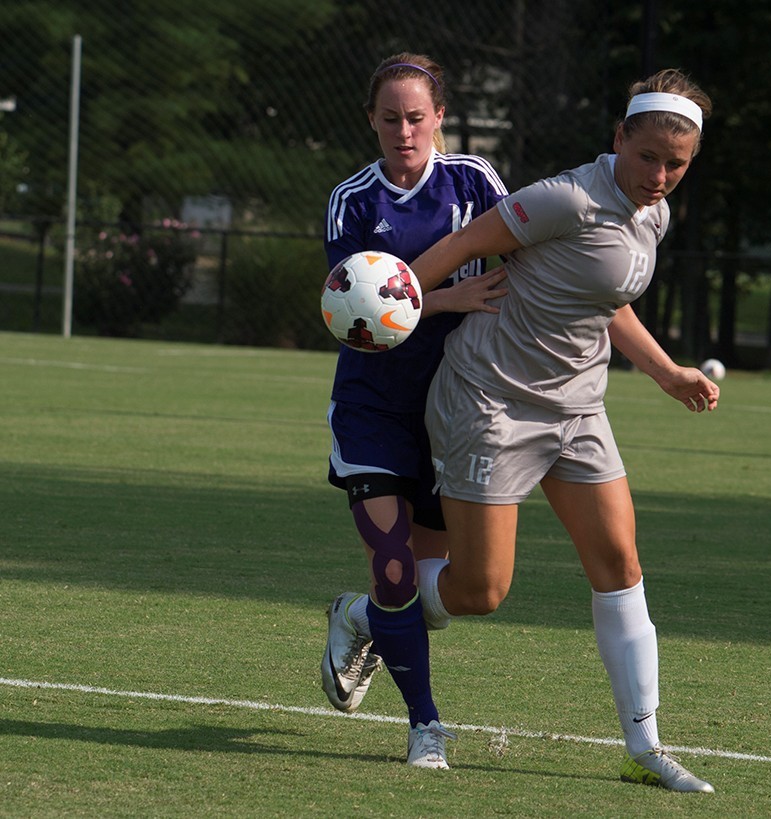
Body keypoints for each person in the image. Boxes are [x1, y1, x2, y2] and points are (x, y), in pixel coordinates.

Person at [407, 67, 719, 792]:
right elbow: (439, 261)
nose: (661, 175)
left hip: (578, 408)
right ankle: (373, 607)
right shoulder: (564, 197)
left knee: (620, 561)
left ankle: (645, 746)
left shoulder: (655, 214)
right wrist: (423, 302)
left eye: (678, 165)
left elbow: (602, 295)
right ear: (620, 139)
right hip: (491, 400)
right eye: (649, 158)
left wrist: (668, 371)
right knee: (481, 591)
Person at [319, 52, 508, 770]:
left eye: (417, 117)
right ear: (371, 119)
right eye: (390, 118)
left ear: (440, 118)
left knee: (441, 587)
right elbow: (354, 312)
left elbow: (515, 257)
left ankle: (357, 616)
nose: (405, 130)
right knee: (396, 570)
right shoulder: (352, 200)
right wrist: (448, 297)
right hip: (372, 404)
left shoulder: (474, 182)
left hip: (454, 407)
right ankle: (425, 723)